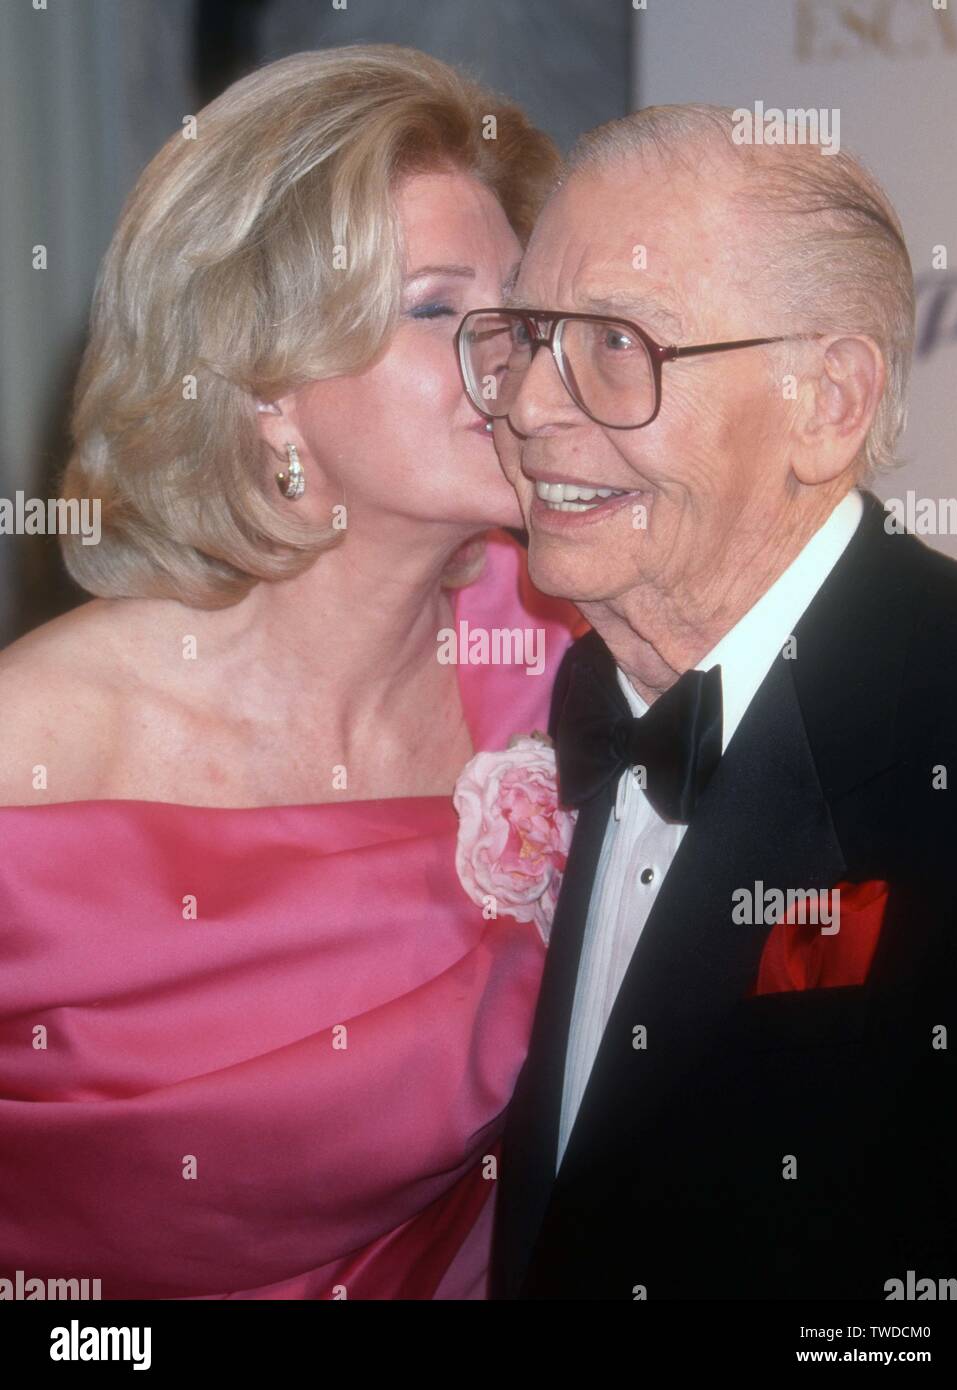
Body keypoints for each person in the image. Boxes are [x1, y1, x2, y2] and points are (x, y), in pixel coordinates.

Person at [0, 45, 581, 1300]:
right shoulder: (36, 761)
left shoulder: (575, 666)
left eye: (521, 314)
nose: (518, 364)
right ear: (267, 386)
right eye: (438, 310)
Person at [456, 103, 957, 1299]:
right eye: (530, 334)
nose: (530, 407)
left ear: (829, 404)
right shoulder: (583, 686)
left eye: (617, 344)